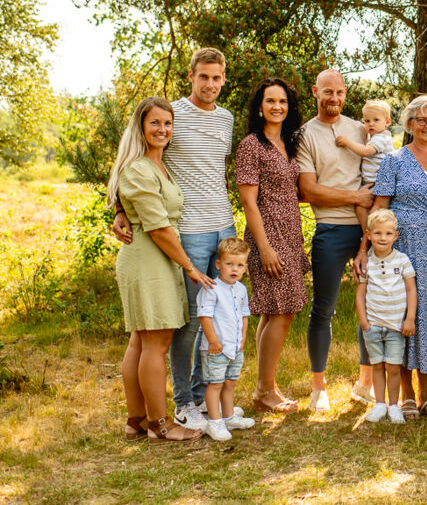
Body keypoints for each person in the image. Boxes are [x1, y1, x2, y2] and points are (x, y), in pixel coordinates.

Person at [112, 48, 238, 431]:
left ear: (223, 79)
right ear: (191, 77)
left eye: (217, 78)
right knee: (184, 324)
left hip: (224, 227)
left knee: (219, 314)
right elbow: (133, 162)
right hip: (186, 232)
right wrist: (119, 210)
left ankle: (206, 397)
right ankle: (184, 403)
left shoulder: (227, 119)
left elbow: (214, 172)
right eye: (204, 76)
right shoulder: (172, 114)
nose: (210, 84)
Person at [107, 97, 213, 442]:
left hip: (157, 257)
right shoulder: (139, 168)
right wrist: (191, 267)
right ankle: (160, 425)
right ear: (141, 126)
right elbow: (158, 227)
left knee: (140, 339)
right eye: (155, 123)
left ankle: (136, 420)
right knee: (156, 341)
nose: (162, 130)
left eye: (167, 124)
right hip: (148, 259)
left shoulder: (158, 165)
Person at [366, 94, 427, 421]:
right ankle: (406, 395)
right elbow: (379, 205)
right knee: (400, 317)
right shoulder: (394, 160)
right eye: (421, 120)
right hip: (399, 248)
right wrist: (365, 249)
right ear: (409, 124)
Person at [297, 69, 376, 411]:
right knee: (323, 308)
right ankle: (319, 386)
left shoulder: (359, 129)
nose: (334, 98)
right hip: (330, 228)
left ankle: (365, 383)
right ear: (315, 91)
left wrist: (369, 209)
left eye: (339, 92)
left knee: (371, 306)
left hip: (366, 230)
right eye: (327, 92)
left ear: (346, 94)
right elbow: (308, 189)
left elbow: (377, 166)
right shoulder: (304, 135)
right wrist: (353, 198)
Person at [235, 78, 308, 414]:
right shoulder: (252, 145)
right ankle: (266, 390)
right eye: (270, 101)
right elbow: (249, 202)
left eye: (282, 101)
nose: (277, 106)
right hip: (268, 234)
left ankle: (265, 388)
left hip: (291, 233)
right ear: (260, 106)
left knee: (274, 310)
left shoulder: (288, 144)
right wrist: (263, 247)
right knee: (283, 309)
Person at [356, 209, 417, 424]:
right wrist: (364, 323)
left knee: (393, 367)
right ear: (368, 234)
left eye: (388, 233)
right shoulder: (366, 263)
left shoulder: (402, 260)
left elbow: (411, 290)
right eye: (378, 233)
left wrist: (409, 319)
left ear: (396, 236)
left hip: (395, 326)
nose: (383, 238)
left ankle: (394, 405)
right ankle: (379, 404)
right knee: (377, 366)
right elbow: (360, 294)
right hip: (373, 325)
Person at [197, 238, 257, 441]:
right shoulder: (211, 288)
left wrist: (243, 338)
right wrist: (213, 341)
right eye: (229, 264)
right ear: (218, 264)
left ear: (245, 268)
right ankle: (215, 422)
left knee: (230, 383)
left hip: (235, 347)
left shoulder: (241, 289)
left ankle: (229, 416)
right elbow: (204, 316)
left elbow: (244, 315)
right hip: (216, 348)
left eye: (239, 265)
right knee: (215, 384)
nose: (234, 269)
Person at [336, 98, 395, 184]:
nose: (371, 124)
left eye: (376, 120)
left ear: (387, 121)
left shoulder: (382, 138)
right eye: (367, 121)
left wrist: (347, 142)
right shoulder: (377, 137)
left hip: (378, 184)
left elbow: (366, 151)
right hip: (373, 182)